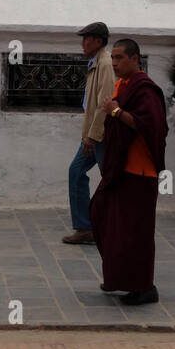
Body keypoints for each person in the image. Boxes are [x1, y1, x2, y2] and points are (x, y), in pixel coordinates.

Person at [90, 38, 167, 305]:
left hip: (140, 173)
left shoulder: (146, 90)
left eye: (120, 58)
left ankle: (144, 288)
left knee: (137, 233)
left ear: (135, 59)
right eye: (113, 58)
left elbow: (149, 125)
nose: (115, 63)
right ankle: (118, 278)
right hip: (120, 170)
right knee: (106, 220)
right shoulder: (122, 85)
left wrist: (117, 111)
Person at [62, 21, 116, 245]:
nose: (83, 43)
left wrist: (92, 137)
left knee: (107, 180)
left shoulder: (105, 63)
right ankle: (87, 227)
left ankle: (99, 225)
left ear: (98, 41)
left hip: (101, 135)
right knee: (81, 173)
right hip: (94, 134)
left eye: (87, 38)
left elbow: (105, 102)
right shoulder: (96, 62)